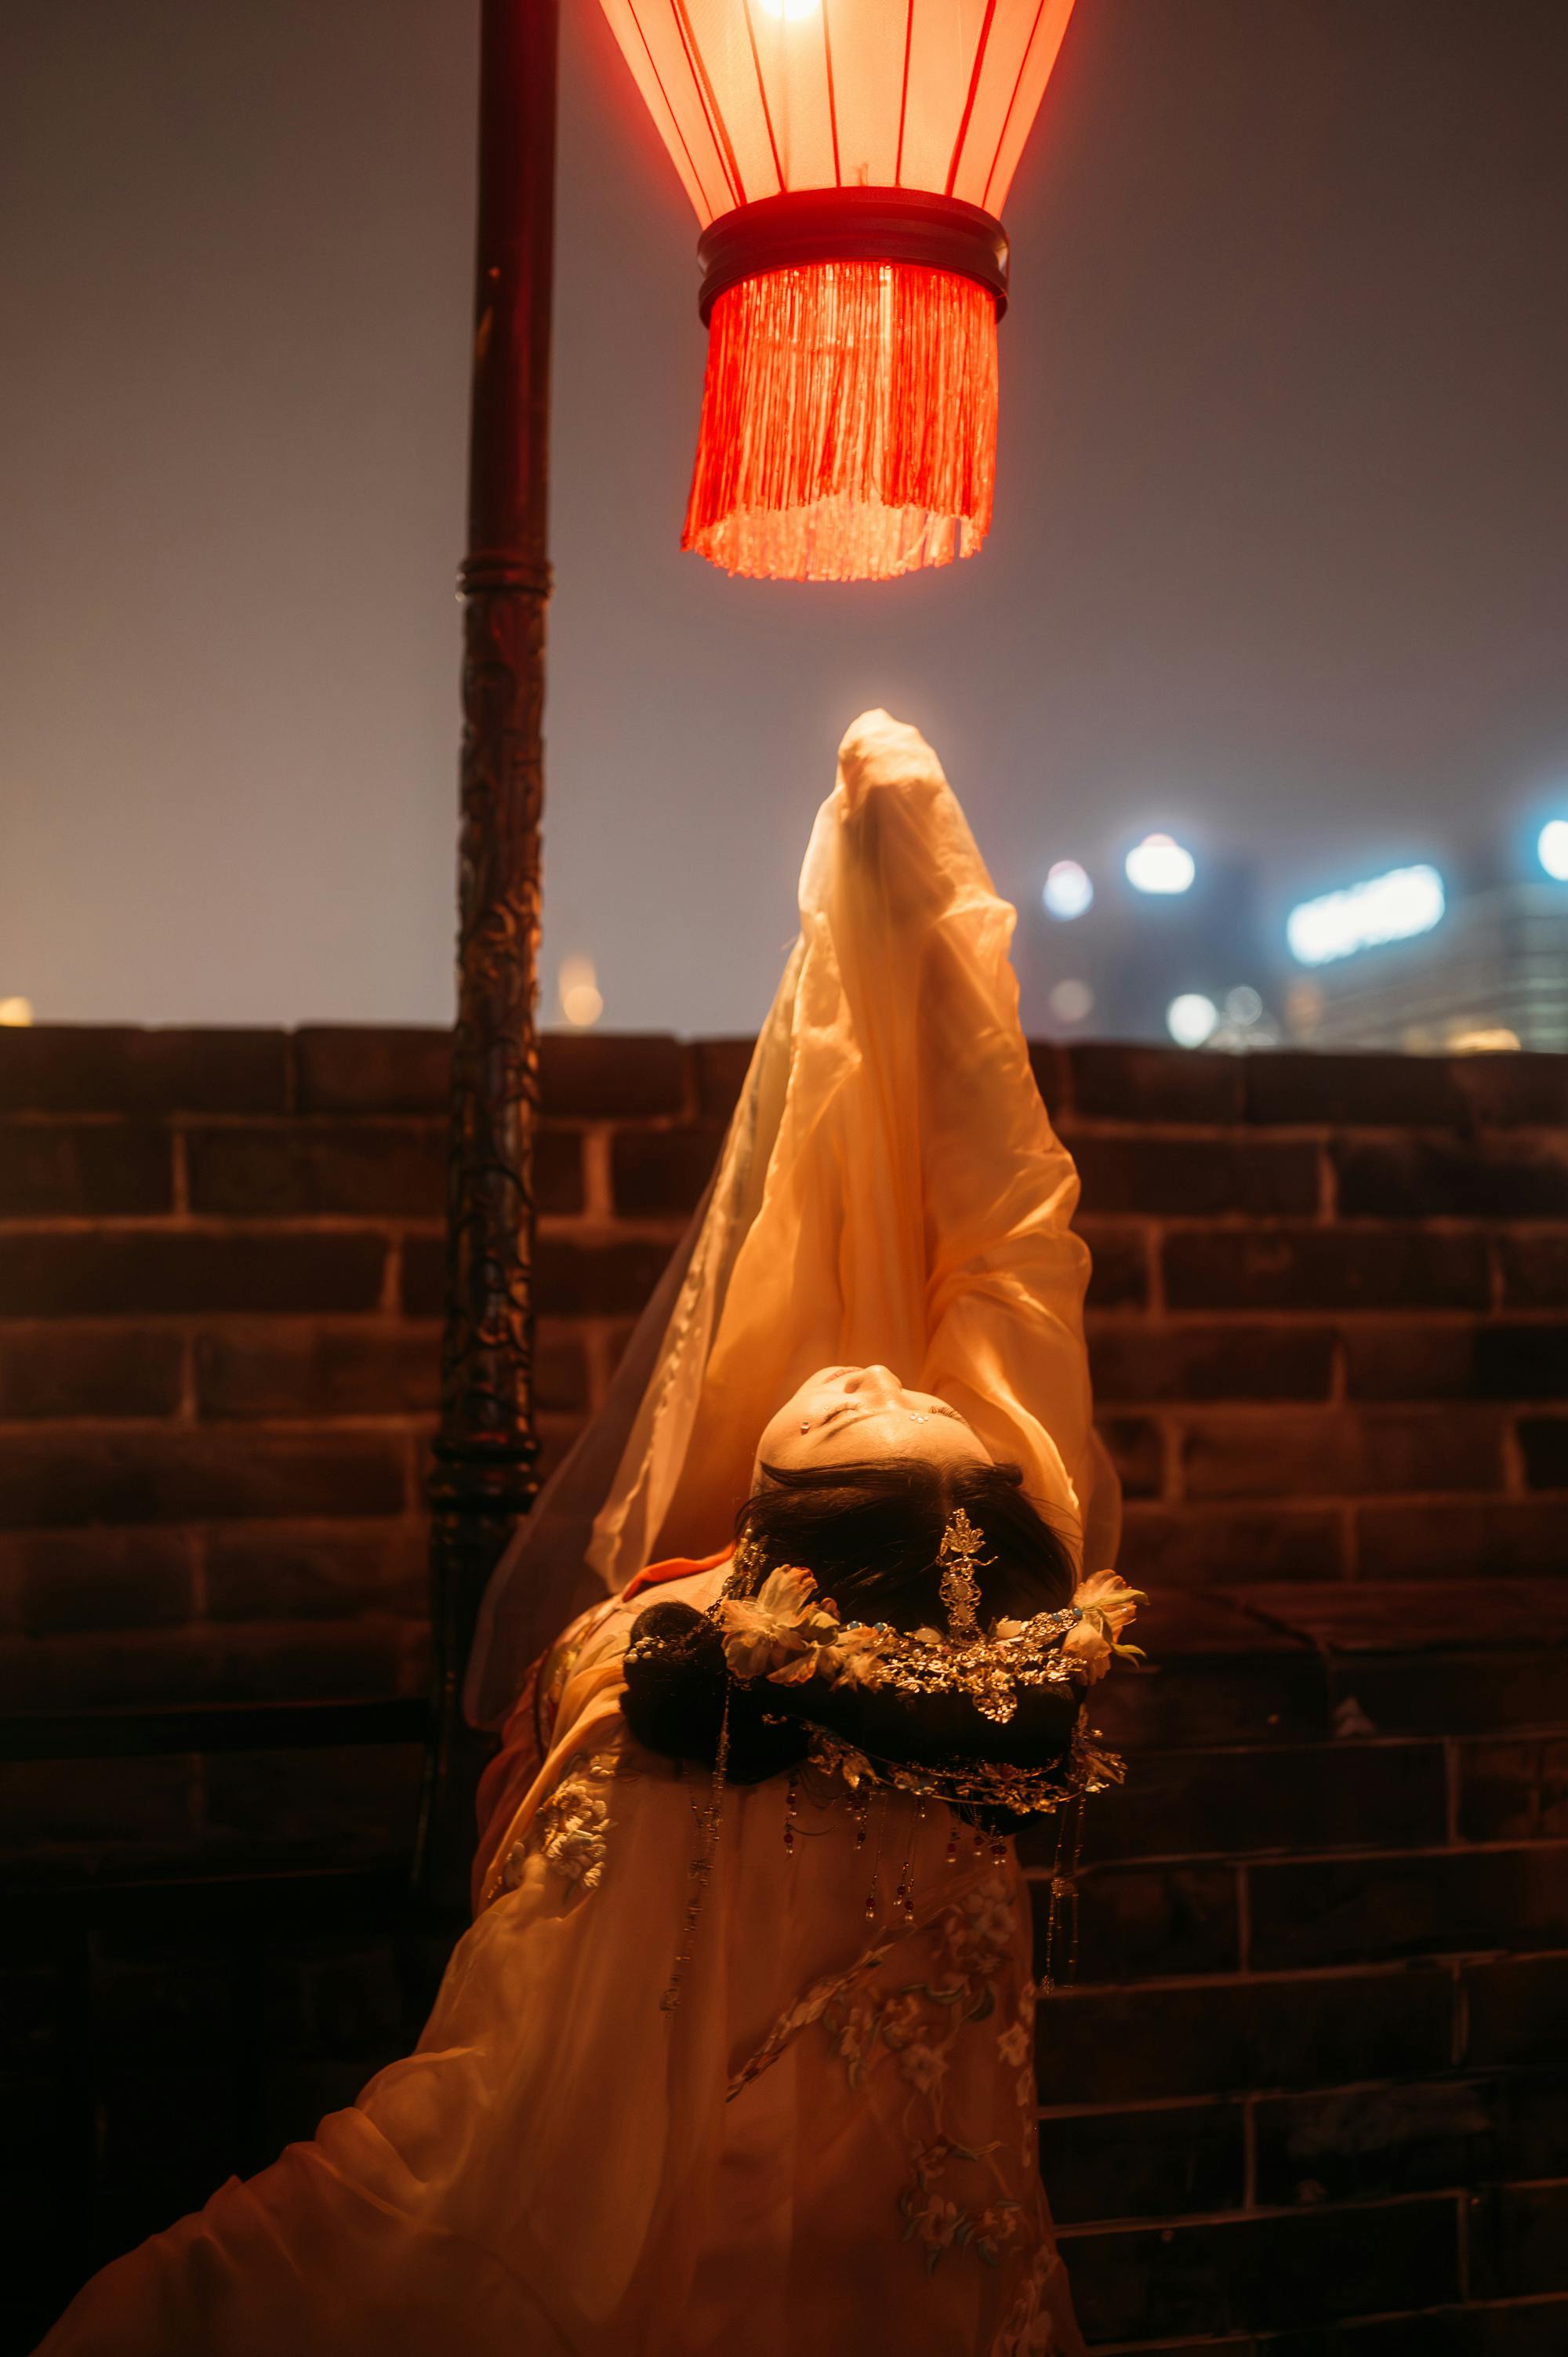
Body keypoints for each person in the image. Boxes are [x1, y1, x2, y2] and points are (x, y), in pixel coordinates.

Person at [36, 713, 1139, 2357]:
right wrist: (913, 868)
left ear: (768, 1558)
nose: (847, 1355)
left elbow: (492, 2111)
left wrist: (890, 845)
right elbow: (1008, 1221)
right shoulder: (996, 1622)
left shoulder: (659, 1693)